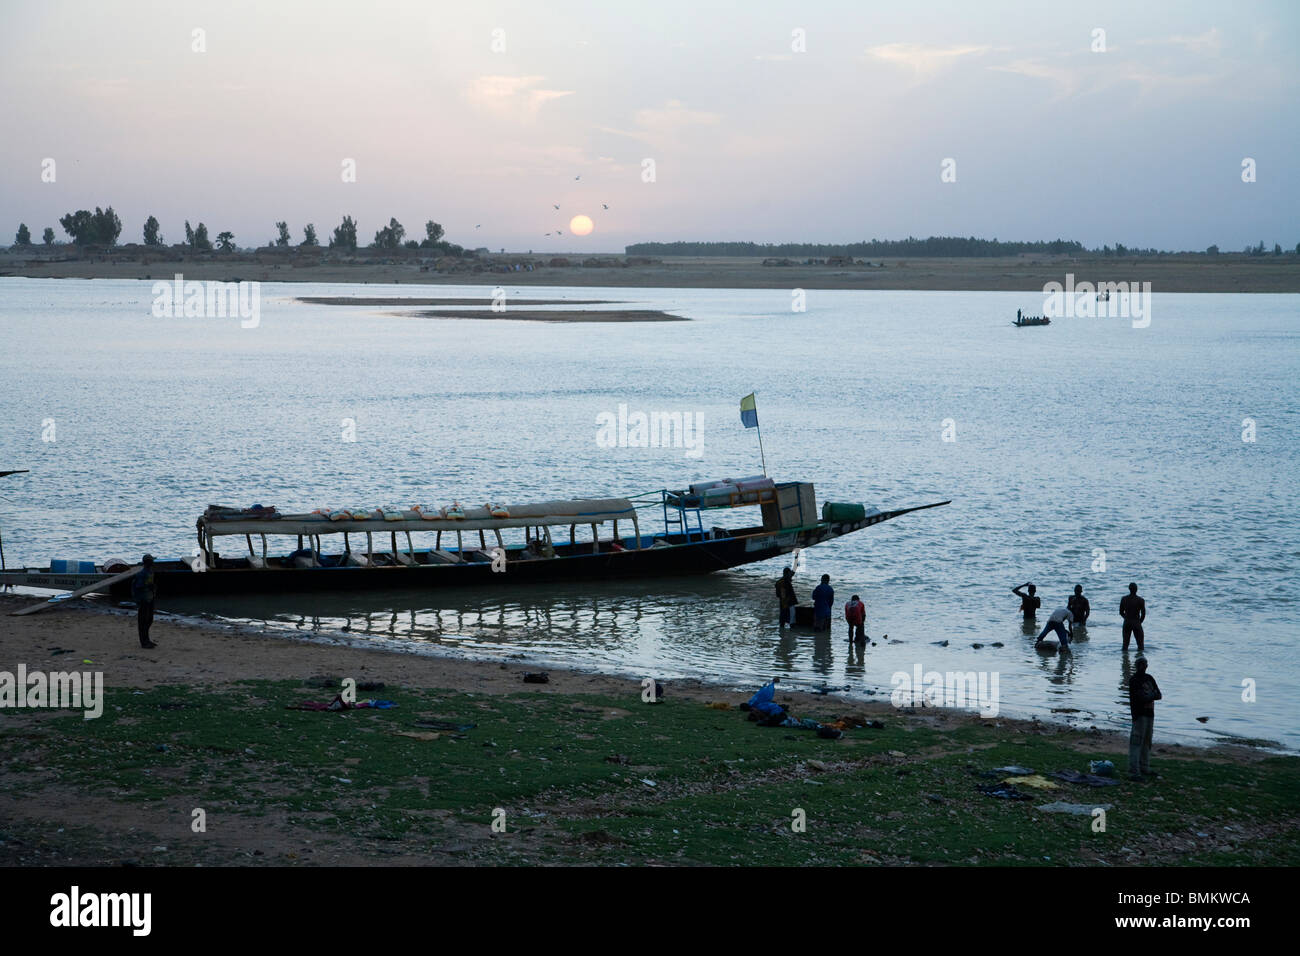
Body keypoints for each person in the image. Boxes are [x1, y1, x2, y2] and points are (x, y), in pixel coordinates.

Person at [1128, 657, 1162, 779]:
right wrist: (1151, 695)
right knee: (1136, 742)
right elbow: (1142, 698)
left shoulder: (1149, 678)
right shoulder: (1134, 680)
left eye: (1144, 664)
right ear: (1136, 666)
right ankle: (1134, 771)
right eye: (1140, 664)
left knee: (1147, 742)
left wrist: (1149, 695)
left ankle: (1144, 767)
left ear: (1147, 665)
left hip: (1150, 714)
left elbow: (1159, 695)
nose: (1143, 666)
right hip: (1138, 714)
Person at [132, 554, 158, 649]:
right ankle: (144, 642)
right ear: (147, 563)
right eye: (151, 561)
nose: (153, 563)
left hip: (150, 598)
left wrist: (153, 588)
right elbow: (138, 587)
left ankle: (147, 640)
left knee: (149, 619)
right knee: (143, 621)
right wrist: (148, 587)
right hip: (143, 599)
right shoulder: (141, 574)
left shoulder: (150, 571)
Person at [1120, 582, 1147, 651]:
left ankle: (1125, 660)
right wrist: (1139, 622)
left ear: (1129, 589)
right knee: (1140, 645)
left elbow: (1121, 612)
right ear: (1136, 589)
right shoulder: (1140, 600)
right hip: (1136, 622)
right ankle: (1140, 659)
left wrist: (1126, 618)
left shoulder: (1124, 599)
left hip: (1127, 622)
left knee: (1125, 645)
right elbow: (1143, 614)